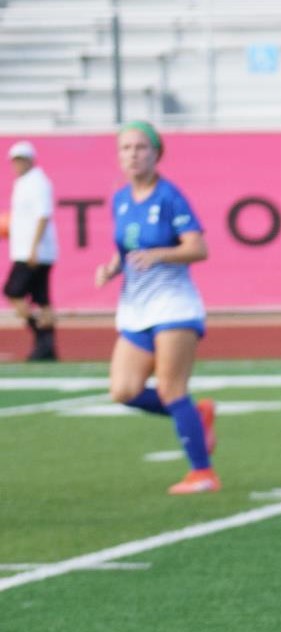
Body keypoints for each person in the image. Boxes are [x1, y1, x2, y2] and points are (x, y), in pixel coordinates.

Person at [93, 122, 216, 494]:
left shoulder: (169, 197)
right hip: (135, 308)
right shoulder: (120, 199)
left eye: (141, 147)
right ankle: (197, 417)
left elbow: (198, 248)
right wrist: (114, 266)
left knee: (171, 389)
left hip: (173, 306)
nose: (132, 154)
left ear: (155, 153)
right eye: (125, 148)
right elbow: (127, 247)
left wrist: (161, 254)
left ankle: (203, 473)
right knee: (123, 390)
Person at [7, 140, 59, 361]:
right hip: (28, 249)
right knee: (42, 298)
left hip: (33, 251)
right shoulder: (24, 182)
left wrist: (34, 248)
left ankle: (41, 335)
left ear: (30, 159)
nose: (17, 164)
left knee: (12, 291)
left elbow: (43, 215)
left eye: (21, 159)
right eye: (15, 160)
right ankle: (47, 344)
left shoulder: (37, 182)